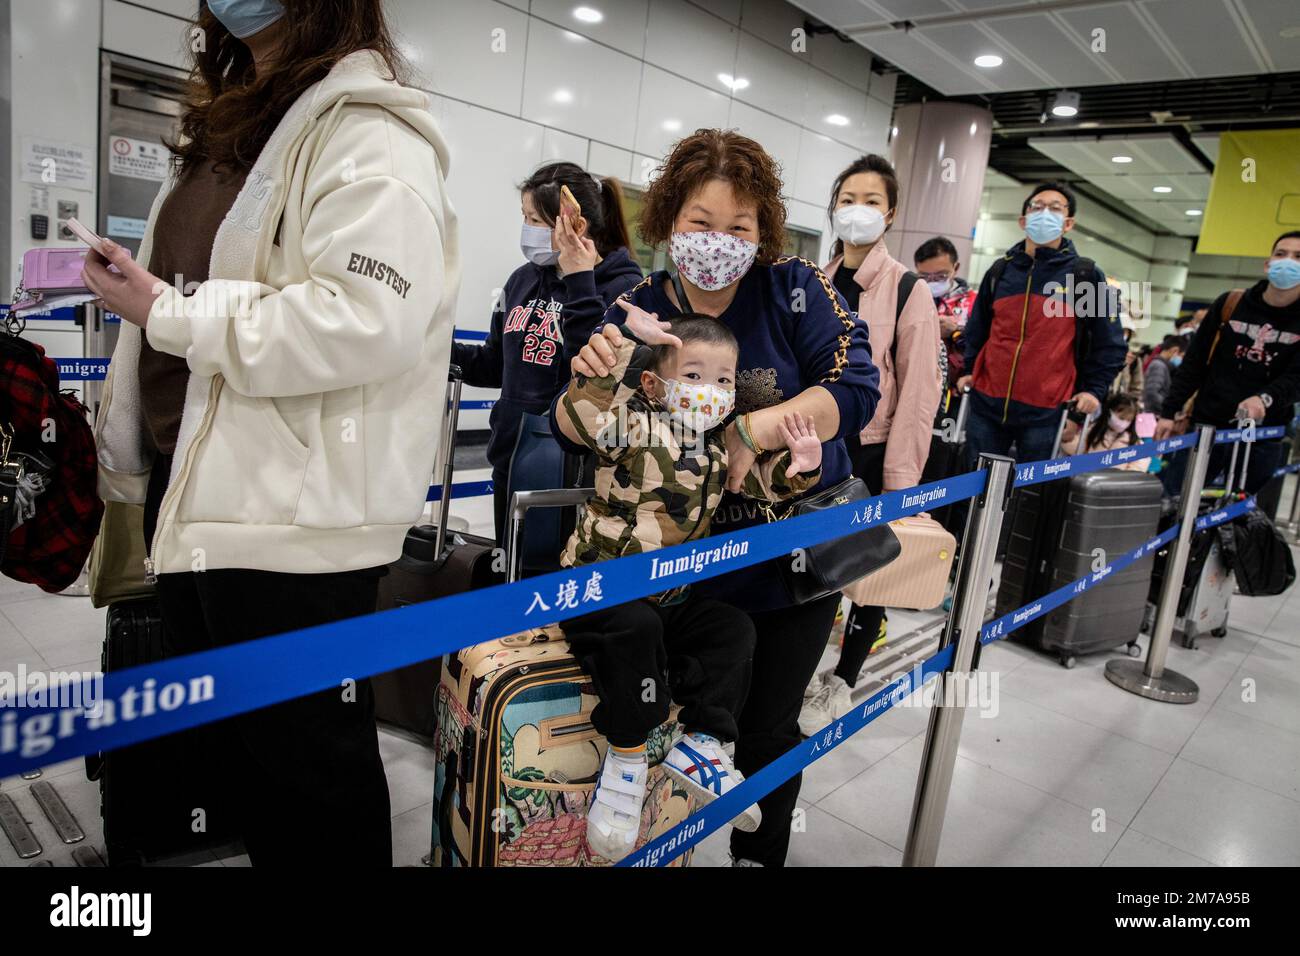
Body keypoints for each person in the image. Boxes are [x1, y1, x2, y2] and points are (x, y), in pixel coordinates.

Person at [85, 0, 455, 866]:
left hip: (295, 517)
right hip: (195, 481)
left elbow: (362, 318)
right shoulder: (229, 116)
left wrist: (172, 313)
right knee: (242, 755)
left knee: (309, 773)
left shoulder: (369, 130)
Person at [558, 128, 880, 867]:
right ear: (670, 219)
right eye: (701, 223)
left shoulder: (794, 289)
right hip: (676, 562)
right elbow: (581, 422)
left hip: (788, 549)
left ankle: (755, 854)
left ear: (762, 230)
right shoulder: (638, 307)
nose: (719, 242)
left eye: (739, 227)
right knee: (669, 707)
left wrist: (755, 430)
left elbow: (857, 390)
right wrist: (594, 367)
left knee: (767, 727)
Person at [553, 311, 822, 861]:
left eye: (724, 381)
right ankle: (626, 761)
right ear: (656, 383)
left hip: (672, 597)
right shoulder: (634, 423)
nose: (711, 392)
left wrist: (802, 468)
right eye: (694, 376)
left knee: (731, 629)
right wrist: (628, 344)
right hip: (600, 591)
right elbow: (584, 416)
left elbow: (768, 487)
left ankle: (703, 745)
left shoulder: (721, 447)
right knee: (635, 626)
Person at [799, 155, 942, 731]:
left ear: (891, 213)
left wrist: (902, 482)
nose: (857, 211)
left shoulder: (909, 291)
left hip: (874, 448)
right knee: (814, 561)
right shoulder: (811, 282)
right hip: (814, 446)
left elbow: (919, 394)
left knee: (870, 569)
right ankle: (805, 668)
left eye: (871, 201)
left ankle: (845, 679)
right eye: (847, 198)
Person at [452, 162, 642, 539]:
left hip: (573, 470)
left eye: (535, 219)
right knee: (511, 571)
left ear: (574, 224)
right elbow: (494, 365)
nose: (527, 229)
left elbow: (593, 372)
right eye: (524, 217)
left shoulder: (624, 287)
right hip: (510, 458)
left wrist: (579, 279)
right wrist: (437, 349)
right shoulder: (522, 280)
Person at [956, 182, 1127, 465]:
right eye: (1037, 207)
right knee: (974, 491)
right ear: (1023, 220)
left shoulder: (1085, 275)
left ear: (1068, 223)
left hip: (1047, 412)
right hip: (986, 404)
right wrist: (970, 369)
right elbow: (978, 329)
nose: (1044, 213)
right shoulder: (1001, 270)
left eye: (1055, 208)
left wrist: (1092, 391)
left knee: (1030, 497)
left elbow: (1109, 343)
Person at [1155, 230, 1300, 494]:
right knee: (1174, 502)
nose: (1288, 262)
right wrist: (1169, 411)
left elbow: (1296, 378)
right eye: (1281, 254)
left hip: (1262, 435)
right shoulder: (1231, 304)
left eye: (1298, 257)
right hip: (1208, 424)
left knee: (1238, 516)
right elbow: (1195, 362)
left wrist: (1265, 398)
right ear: (1268, 263)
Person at [914, 235, 977, 401]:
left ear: (955, 268)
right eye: (925, 276)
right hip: (915, 387)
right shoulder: (909, 298)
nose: (932, 282)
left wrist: (957, 331)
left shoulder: (973, 302)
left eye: (941, 276)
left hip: (955, 391)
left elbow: (983, 342)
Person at [1080, 394, 1149, 471]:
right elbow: (1077, 450)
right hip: (1089, 479)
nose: (1123, 423)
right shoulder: (1093, 430)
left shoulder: (1135, 442)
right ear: (1110, 412)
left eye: (1128, 420)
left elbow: (1138, 467)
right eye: (1121, 418)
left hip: (1117, 481)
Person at [1142, 334, 1185, 413]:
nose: (1181, 360)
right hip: (1154, 414)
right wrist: (1167, 409)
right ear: (1174, 350)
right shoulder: (1159, 366)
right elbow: (1152, 393)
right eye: (1181, 356)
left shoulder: (1164, 366)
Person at [1111, 327, 1145, 401]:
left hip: (1120, 407)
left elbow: (1137, 389)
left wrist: (1127, 404)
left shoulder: (1134, 359)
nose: (1122, 334)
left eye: (1125, 331)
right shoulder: (1099, 354)